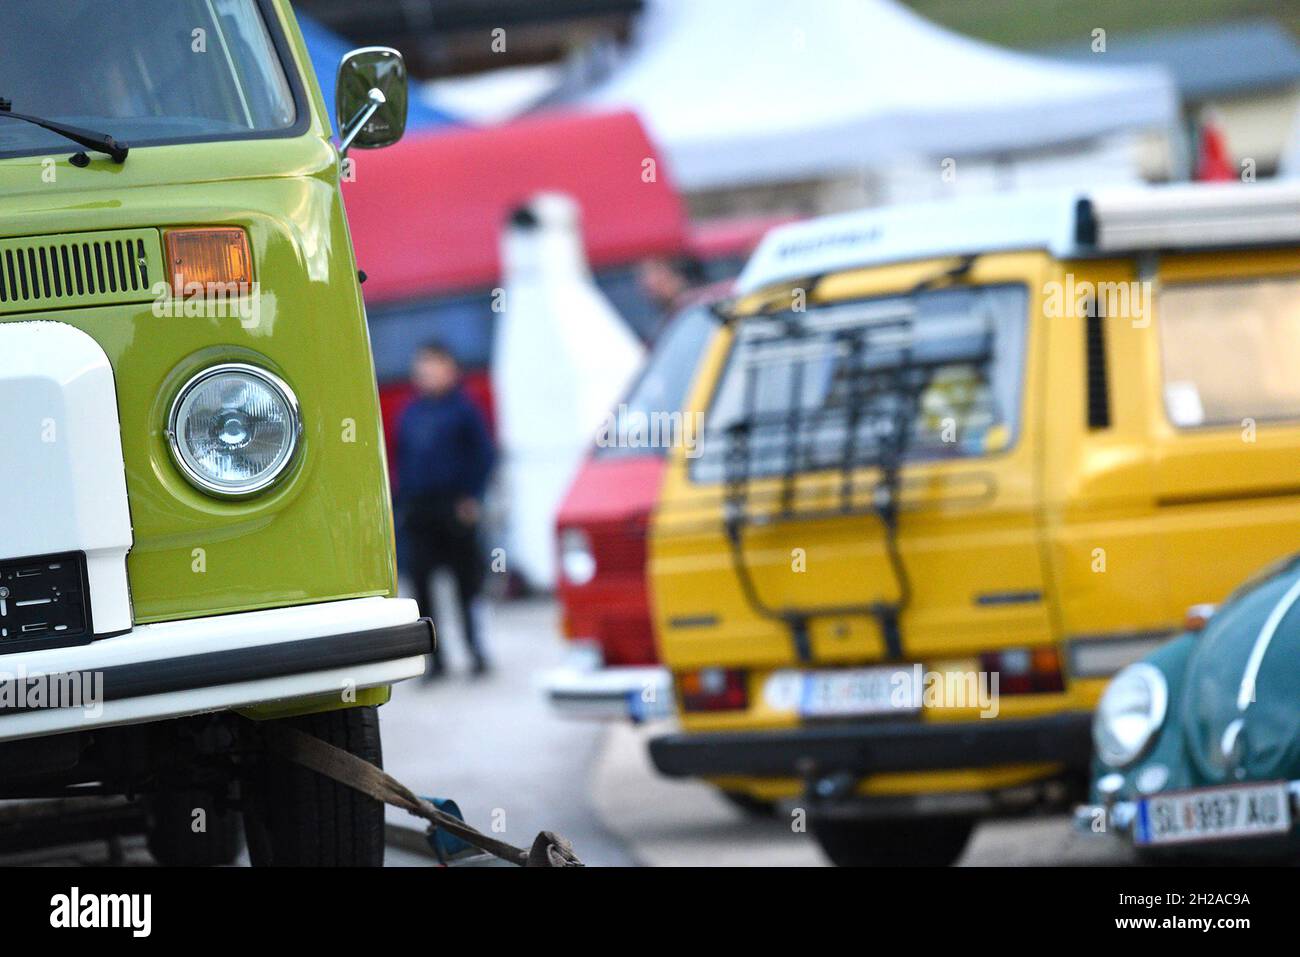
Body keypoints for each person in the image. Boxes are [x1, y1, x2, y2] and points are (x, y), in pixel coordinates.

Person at [396, 342, 496, 676]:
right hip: (420, 512)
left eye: (433, 367)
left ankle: (475, 653)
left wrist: (472, 497)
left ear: (449, 369)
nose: (427, 375)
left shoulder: (464, 410)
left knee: (465, 587)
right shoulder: (410, 412)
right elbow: (401, 460)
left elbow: (484, 456)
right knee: (422, 592)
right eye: (422, 368)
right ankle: (435, 662)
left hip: (456, 509)